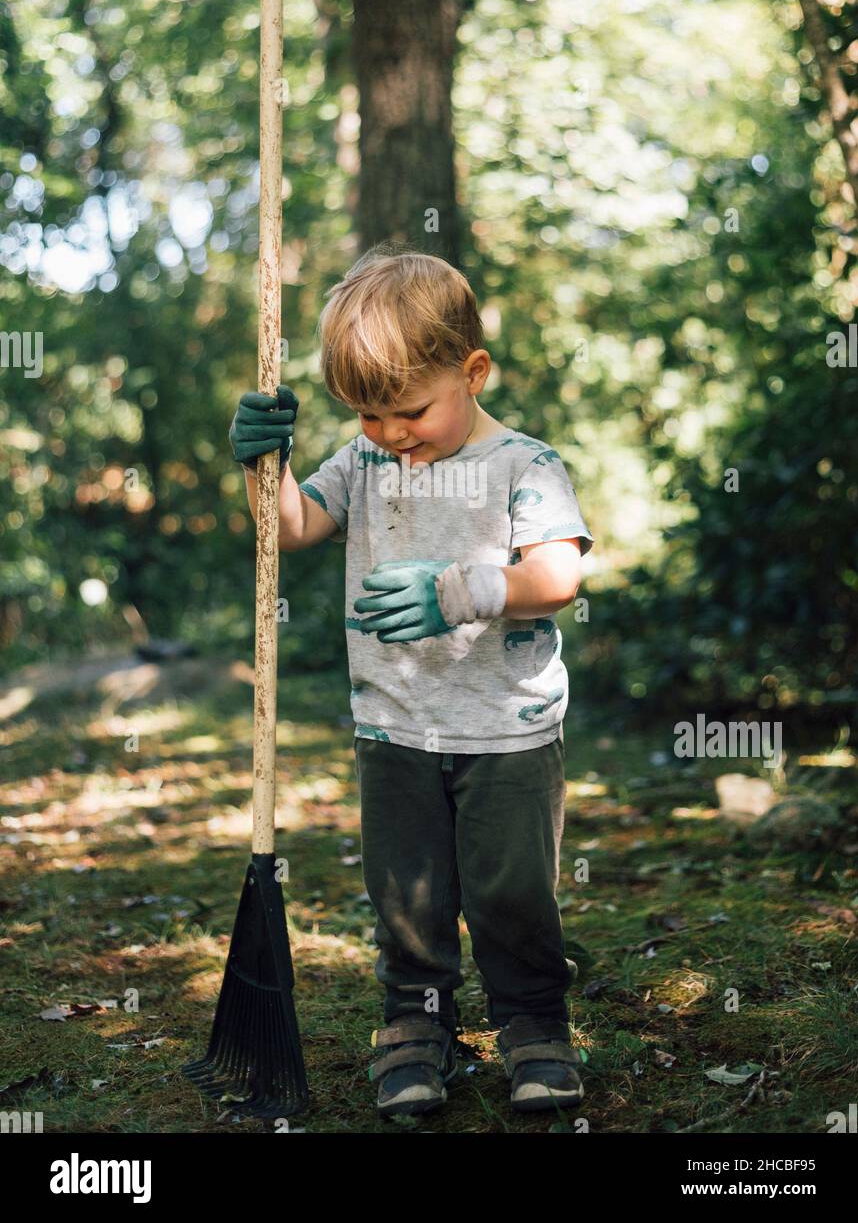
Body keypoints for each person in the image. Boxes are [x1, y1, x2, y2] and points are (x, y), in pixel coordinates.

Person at [229, 247, 594, 1119]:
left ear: (473, 372)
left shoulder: (526, 465)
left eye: (409, 411)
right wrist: (261, 465)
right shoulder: (362, 464)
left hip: (506, 729)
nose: (389, 432)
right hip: (395, 725)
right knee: (406, 893)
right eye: (365, 414)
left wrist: (457, 590)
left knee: (509, 889)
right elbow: (294, 527)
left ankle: (535, 1026)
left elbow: (556, 578)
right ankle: (415, 1026)